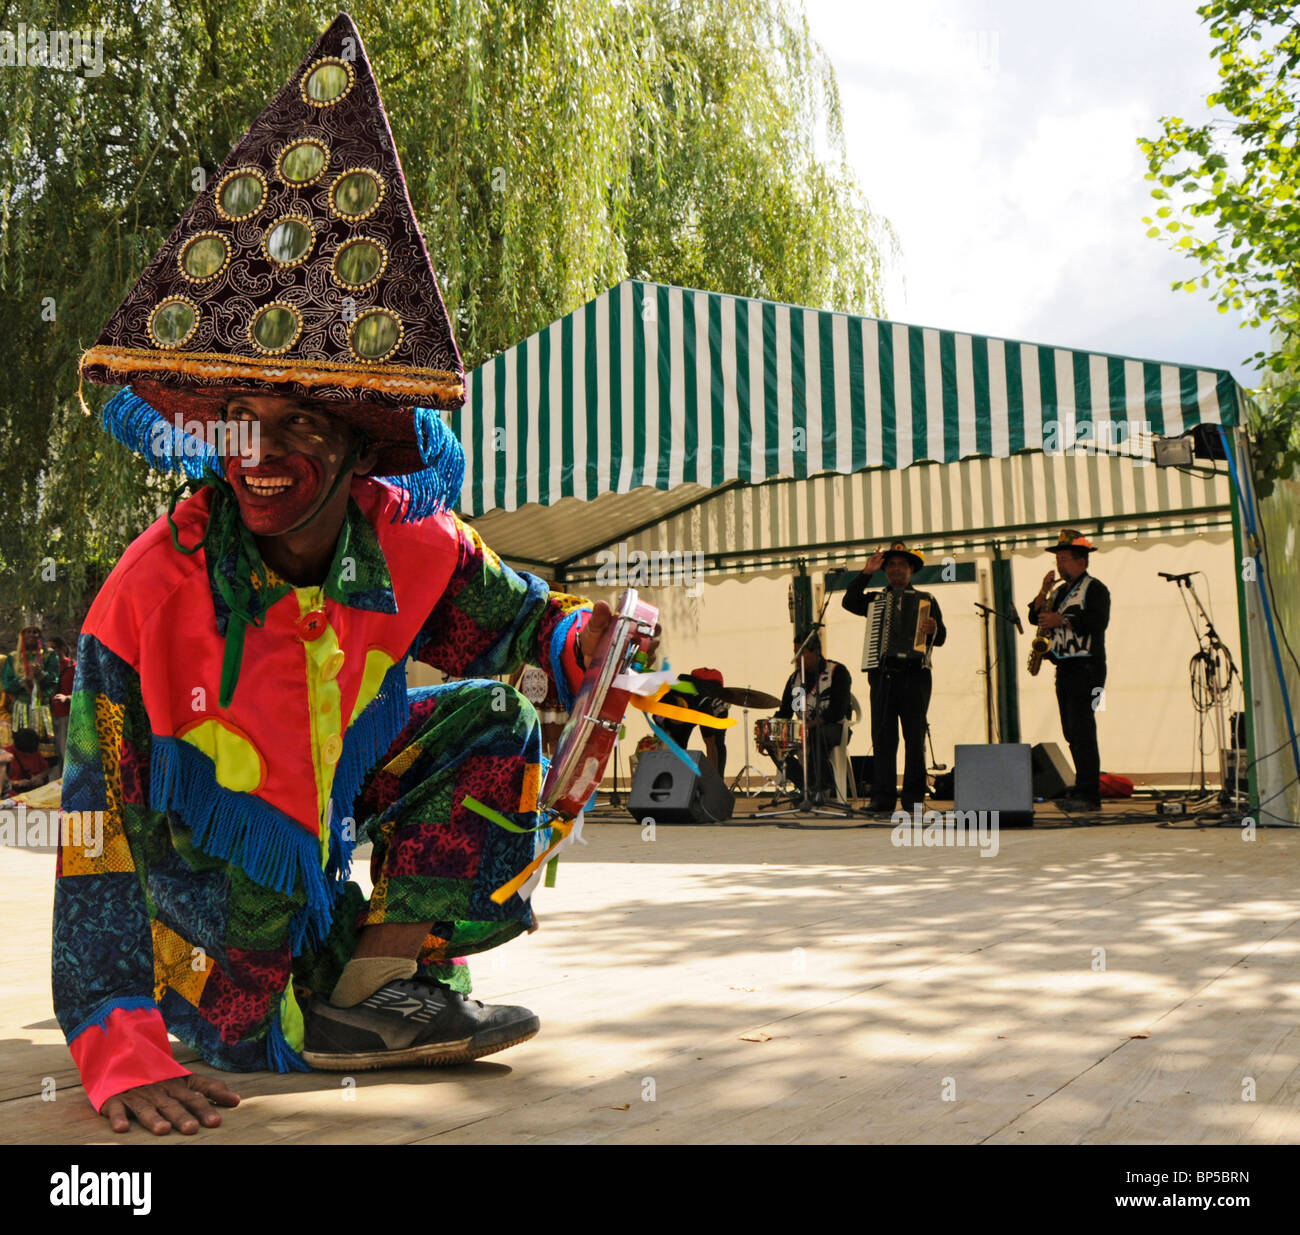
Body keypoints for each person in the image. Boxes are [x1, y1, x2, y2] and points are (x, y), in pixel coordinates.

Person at [56, 13, 615, 1138]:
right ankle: (291, 1002)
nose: (259, 454)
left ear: (363, 450)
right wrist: (118, 1044)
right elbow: (92, 829)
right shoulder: (147, 596)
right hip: (207, 907)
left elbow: (522, 628)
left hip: (321, 830)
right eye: (241, 419)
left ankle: (381, 977)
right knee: (242, 1005)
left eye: (302, 422)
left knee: (497, 721)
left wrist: (586, 645)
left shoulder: (409, 540)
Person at [842, 542, 945, 813]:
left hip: (916, 675)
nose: (896, 569)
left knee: (914, 739)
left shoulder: (927, 599)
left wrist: (933, 628)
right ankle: (883, 798)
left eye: (901, 564)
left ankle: (913, 799)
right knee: (884, 738)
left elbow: (942, 638)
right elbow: (849, 601)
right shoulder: (875, 600)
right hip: (883, 676)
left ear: (911, 569)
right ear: (885, 570)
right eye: (891, 565)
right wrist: (866, 572)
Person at [1027, 529, 1110, 811]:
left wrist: (1061, 620)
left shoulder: (1095, 589)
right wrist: (1043, 592)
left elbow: (1097, 622)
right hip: (1064, 666)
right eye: (1058, 560)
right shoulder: (1060, 591)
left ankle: (1090, 792)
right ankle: (1082, 785)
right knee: (1071, 730)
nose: (1059, 565)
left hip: (1087, 666)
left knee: (1083, 728)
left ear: (1081, 562)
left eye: (1064, 559)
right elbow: (1034, 617)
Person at [772, 632, 852, 803]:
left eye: (801, 652)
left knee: (817, 735)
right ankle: (807, 786)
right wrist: (772, 727)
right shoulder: (795, 680)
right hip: (804, 730)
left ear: (816, 652)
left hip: (834, 727)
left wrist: (810, 725)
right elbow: (786, 712)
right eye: (795, 652)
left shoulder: (836, 671)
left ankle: (819, 786)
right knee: (773, 741)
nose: (797, 657)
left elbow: (838, 711)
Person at [658, 668, 730, 777]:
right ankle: (674, 778)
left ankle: (717, 779)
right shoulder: (665, 702)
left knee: (716, 742)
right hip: (688, 697)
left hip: (713, 694)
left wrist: (714, 780)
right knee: (676, 741)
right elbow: (660, 725)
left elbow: (711, 743)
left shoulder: (704, 703)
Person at [1, 623, 60, 752]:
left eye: (35, 632)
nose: (32, 635)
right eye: (28, 632)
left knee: (45, 744)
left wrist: (41, 675)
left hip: (43, 707)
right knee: (21, 743)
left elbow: (54, 679)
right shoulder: (13, 657)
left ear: (40, 636)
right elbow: (7, 684)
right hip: (21, 708)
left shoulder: (49, 655)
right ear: (22, 635)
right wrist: (26, 679)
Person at [49, 636, 77, 769]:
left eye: (54, 648)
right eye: (48, 649)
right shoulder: (46, 668)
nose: (51, 652)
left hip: (66, 714)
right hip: (49, 716)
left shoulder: (74, 667)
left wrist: (68, 698)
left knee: (65, 751)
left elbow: (84, 692)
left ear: (62, 649)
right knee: (51, 754)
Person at [5, 727, 50, 793]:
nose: (29, 755)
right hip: (13, 793)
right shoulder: (5, 754)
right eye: (26, 753)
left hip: (33, 791)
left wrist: (38, 777)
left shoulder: (33, 750)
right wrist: (16, 783)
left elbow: (46, 769)